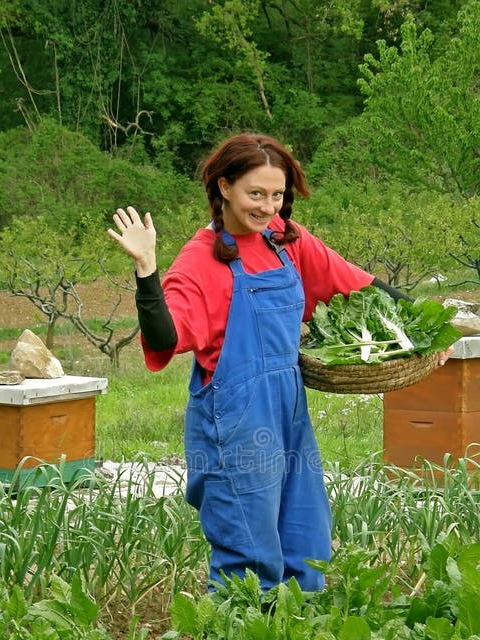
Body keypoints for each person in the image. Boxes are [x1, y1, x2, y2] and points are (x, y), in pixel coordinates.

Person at [108, 132, 447, 592]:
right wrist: (147, 268)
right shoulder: (199, 260)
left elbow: (357, 285)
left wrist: (434, 325)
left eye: (277, 195)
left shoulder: (284, 241)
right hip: (236, 424)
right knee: (248, 560)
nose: (268, 207)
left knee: (306, 546)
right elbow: (165, 337)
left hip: (288, 414)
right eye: (255, 194)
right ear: (224, 187)